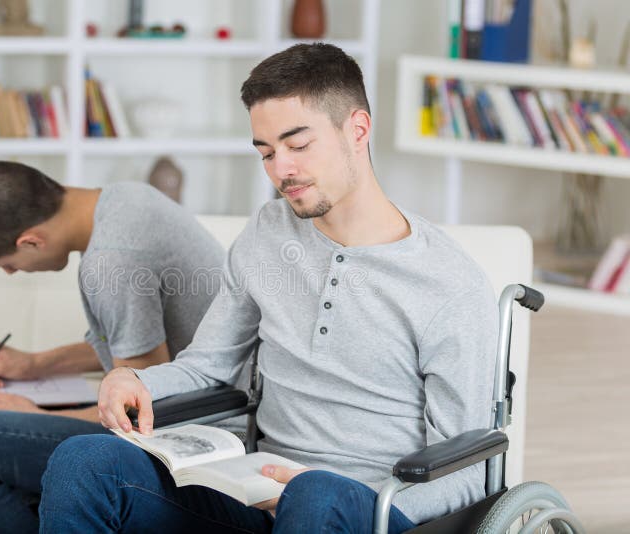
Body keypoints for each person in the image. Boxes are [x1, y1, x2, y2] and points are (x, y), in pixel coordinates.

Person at [38, 43, 499, 534]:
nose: (281, 171)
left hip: (368, 511)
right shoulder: (267, 231)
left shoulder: (448, 283)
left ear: (358, 130)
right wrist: (134, 380)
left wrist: (351, 497)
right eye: (266, 152)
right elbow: (208, 365)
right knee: (84, 460)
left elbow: (465, 473)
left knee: (316, 494)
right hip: (257, 497)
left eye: (298, 146)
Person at [0, 161, 225, 534]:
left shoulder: (110, 262)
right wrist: (34, 365)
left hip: (196, 438)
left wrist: (35, 415)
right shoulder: (126, 198)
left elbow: (140, 410)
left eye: (7, 264)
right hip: (204, 408)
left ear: (31, 241)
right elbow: (136, 344)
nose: (11, 273)